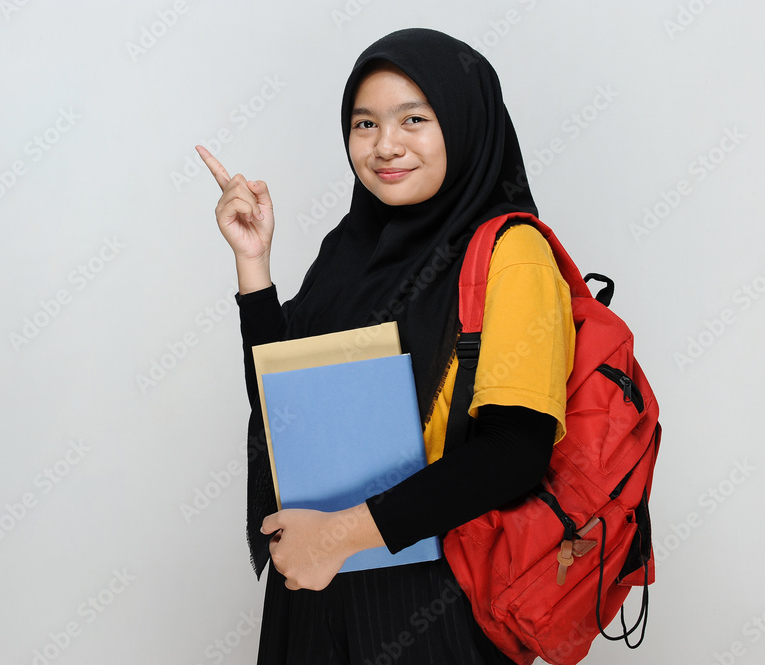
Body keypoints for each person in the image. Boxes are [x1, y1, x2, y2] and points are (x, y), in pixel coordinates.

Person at [199, 28, 575, 665]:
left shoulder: (513, 254)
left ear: (464, 120)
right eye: (365, 123)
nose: (385, 146)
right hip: (314, 589)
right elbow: (284, 408)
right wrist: (254, 267)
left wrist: (342, 536)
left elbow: (516, 450)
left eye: (414, 119)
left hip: (431, 602)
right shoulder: (351, 248)